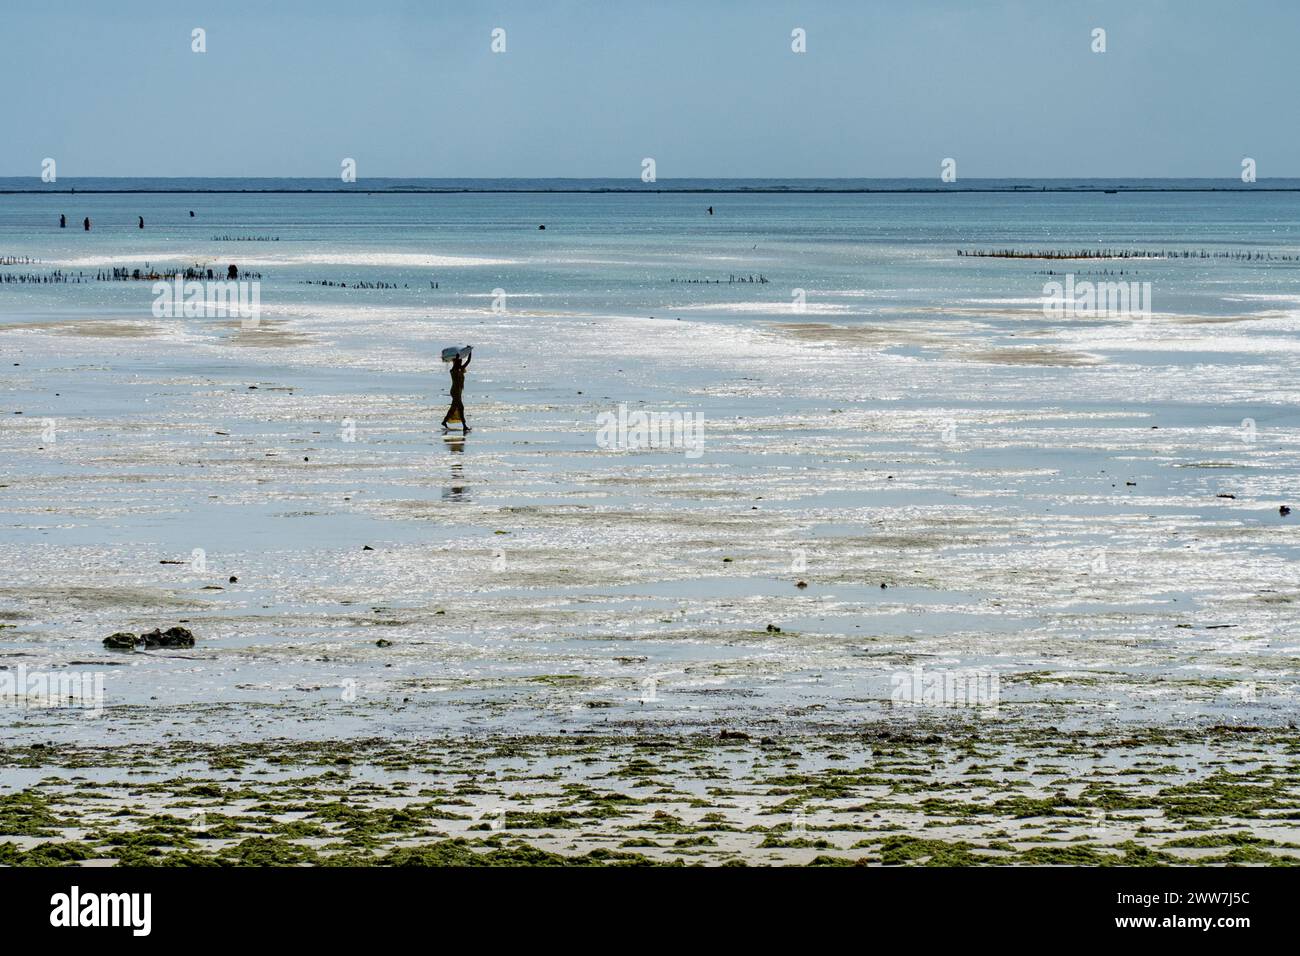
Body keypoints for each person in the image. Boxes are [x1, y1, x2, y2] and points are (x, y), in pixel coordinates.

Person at [441, 348, 472, 432]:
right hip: (455, 391)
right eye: (459, 361)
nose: (461, 363)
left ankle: (444, 421)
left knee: (454, 408)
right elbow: (456, 363)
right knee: (461, 408)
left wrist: (470, 351)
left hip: (458, 391)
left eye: (461, 362)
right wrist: (457, 357)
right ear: (456, 362)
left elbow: (468, 361)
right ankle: (464, 426)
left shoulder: (461, 369)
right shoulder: (453, 370)